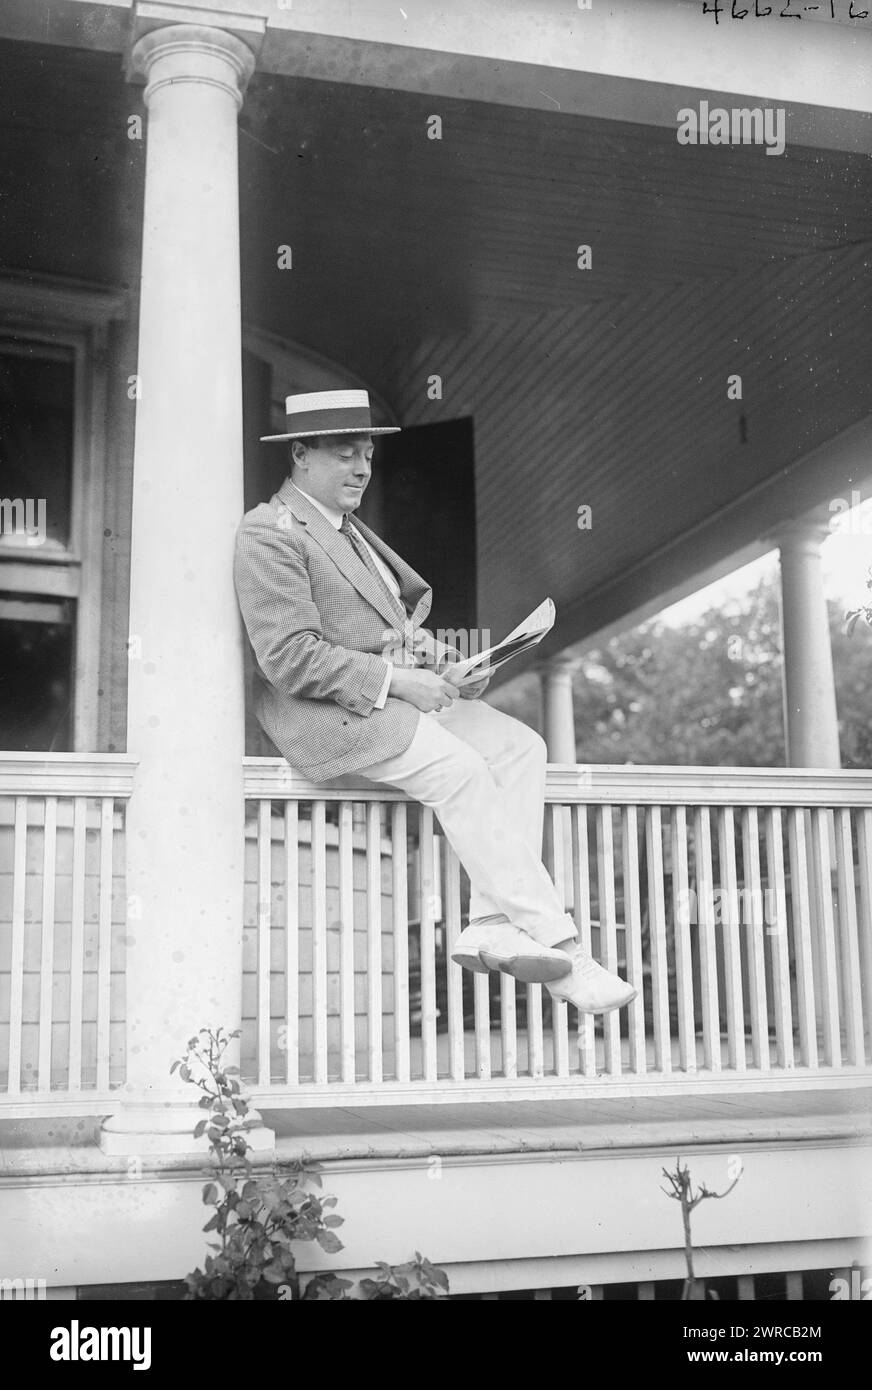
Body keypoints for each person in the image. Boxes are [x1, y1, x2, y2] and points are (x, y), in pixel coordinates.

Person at [234, 389, 636, 1015]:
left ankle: (492, 922)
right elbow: (287, 656)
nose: (362, 468)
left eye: (366, 453)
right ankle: (564, 949)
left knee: (520, 748)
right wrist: (398, 682)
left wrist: (449, 665)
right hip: (329, 714)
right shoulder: (270, 532)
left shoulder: (347, 531)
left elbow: (391, 630)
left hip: (392, 699)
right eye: (345, 454)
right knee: (462, 770)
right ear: (301, 454)